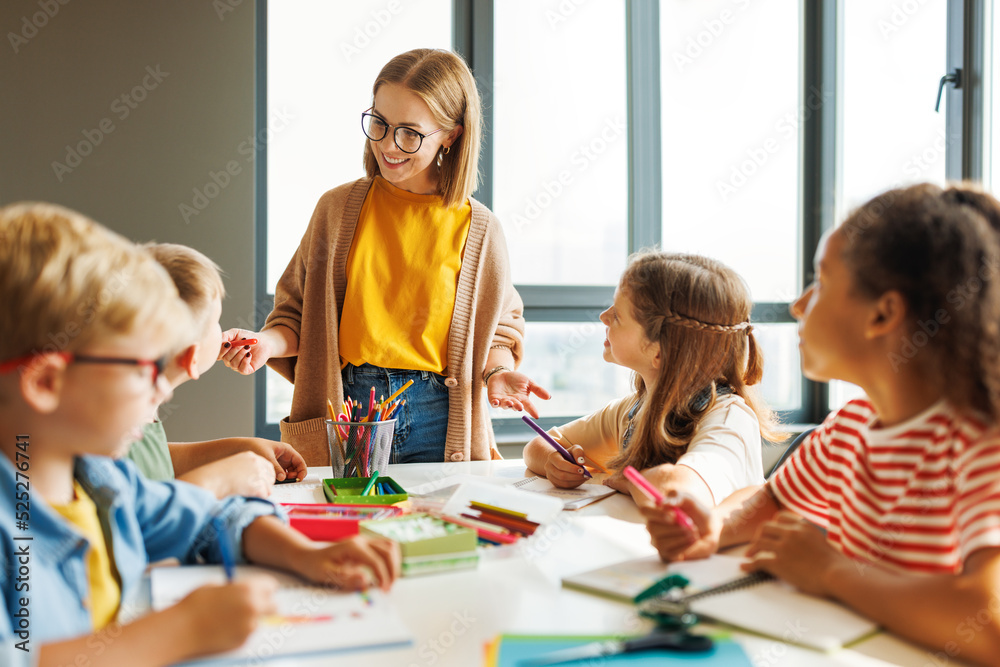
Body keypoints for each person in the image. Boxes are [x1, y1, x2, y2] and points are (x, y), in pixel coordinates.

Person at [0, 203, 399, 667]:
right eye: (143, 367)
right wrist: (181, 630)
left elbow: (215, 520)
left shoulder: (98, 483)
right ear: (47, 383)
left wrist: (308, 554)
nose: (160, 387)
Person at [642, 183, 1000, 665]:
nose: (798, 305)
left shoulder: (980, 443)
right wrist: (713, 527)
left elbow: (987, 621)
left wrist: (833, 572)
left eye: (822, 283)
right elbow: (769, 501)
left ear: (883, 313)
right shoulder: (849, 427)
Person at [219, 48, 549, 466]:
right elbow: (298, 316)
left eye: (410, 132)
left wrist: (497, 374)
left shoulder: (480, 229)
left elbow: (501, 328)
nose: (389, 145)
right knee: (351, 528)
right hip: (348, 411)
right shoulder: (336, 210)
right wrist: (264, 344)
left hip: (440, 420)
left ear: (451, 134)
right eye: (379, 123)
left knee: (437, 529)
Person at [524, 251, 783, 507]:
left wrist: (628, 479)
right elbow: (537, 446)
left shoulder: (730, 419)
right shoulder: (633, 411)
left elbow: (678, 492)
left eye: (618, 316)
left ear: (660, 351)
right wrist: (553, 462)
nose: (604, 316)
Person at [125, 243, 307, 498]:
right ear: (191, 356)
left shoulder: (134, 413)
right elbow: (147, 508)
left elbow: (154, 459)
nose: (222, 330)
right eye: (215, 322)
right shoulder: (114, 430)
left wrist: (241, 448)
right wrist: (220, 479)